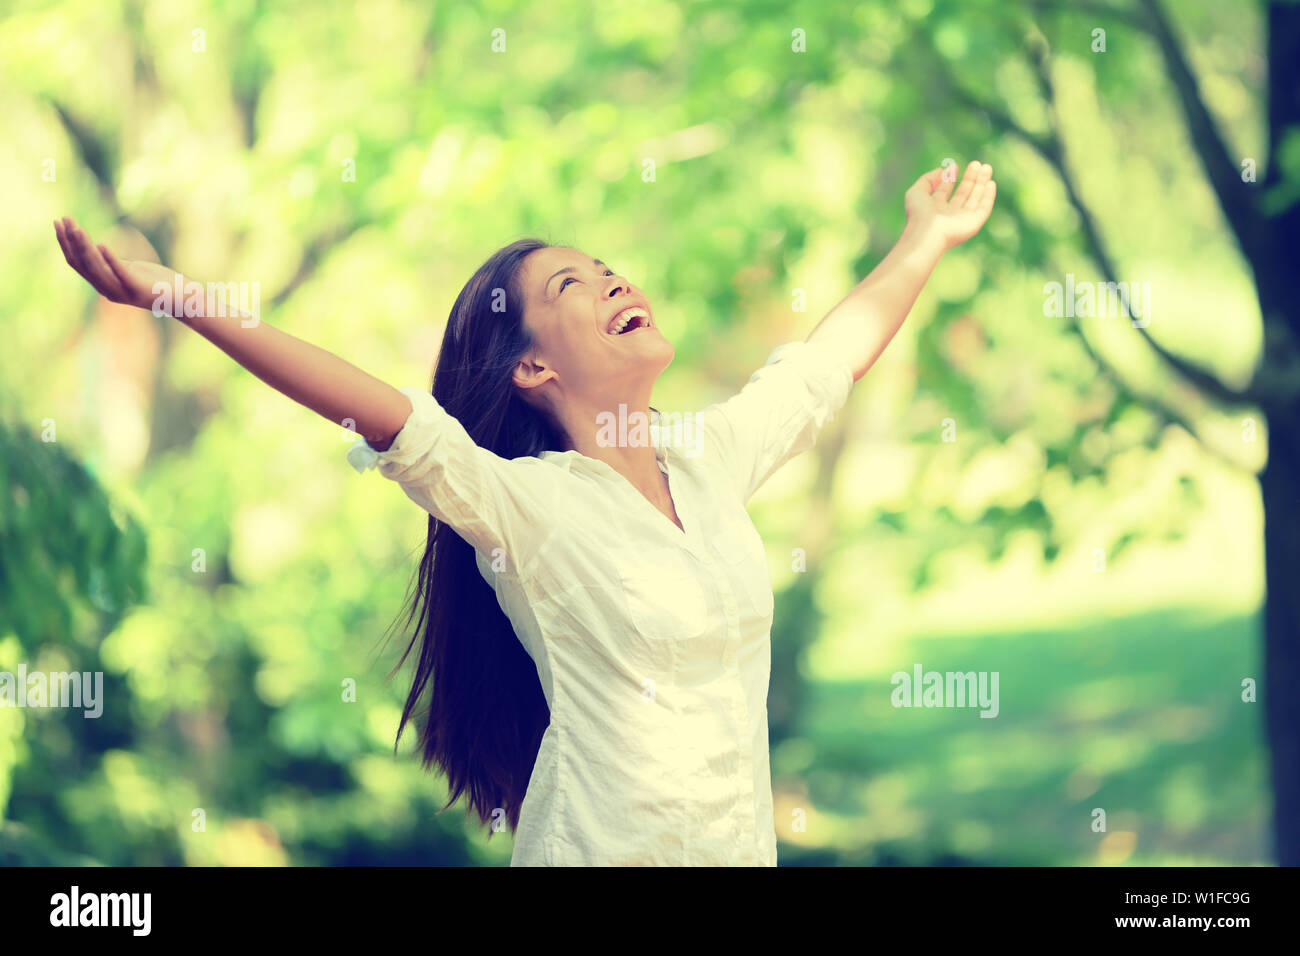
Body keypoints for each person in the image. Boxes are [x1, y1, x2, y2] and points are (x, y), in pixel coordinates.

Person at [53, 160, 996, 865]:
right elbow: (372, 404)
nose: (615, 281)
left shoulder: (706, 459)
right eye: (571, 287)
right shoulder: (527, 510)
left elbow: (828, 362)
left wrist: (924, 239)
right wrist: (177, 295)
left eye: (608, 268)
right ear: (532, 368)